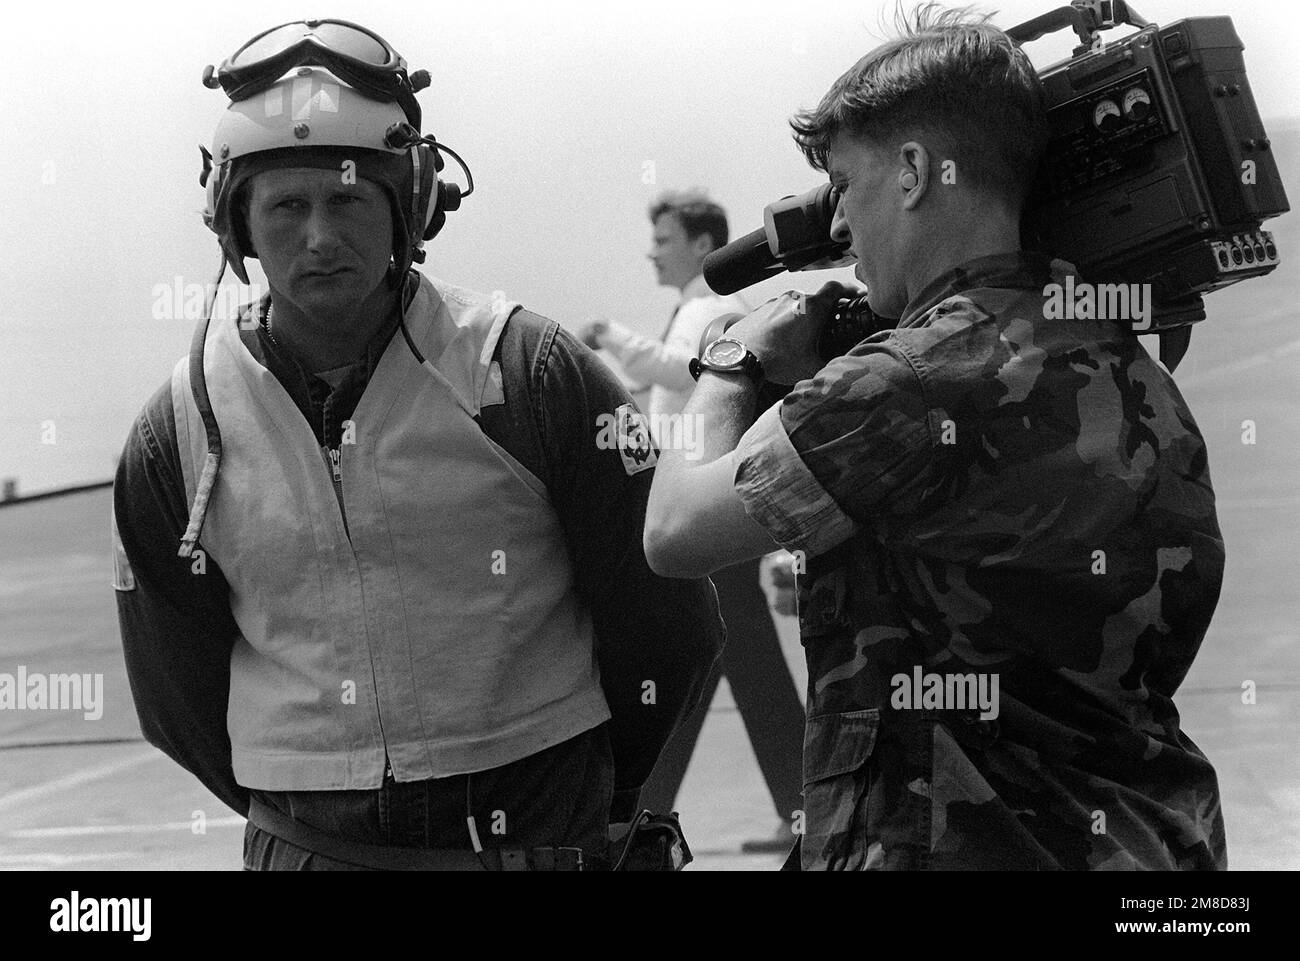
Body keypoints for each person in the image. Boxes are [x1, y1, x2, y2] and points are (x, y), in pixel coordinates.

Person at [111, 19, 723, 871]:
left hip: (537, 842)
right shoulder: (180, 430)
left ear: (411, 205)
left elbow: (668, 630)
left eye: (351, 199)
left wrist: (586, 807)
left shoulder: (528, 376)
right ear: (236, 224)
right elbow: (177, 700)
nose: (320, 237)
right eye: (286, 205)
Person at [642, 6, 1227, 870]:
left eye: (845, 183)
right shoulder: (1128, 359)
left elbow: (675, 530)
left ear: (914, 171)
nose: (837, 226)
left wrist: (732, 359)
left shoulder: (904, 380)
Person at [581, 191, 805, 847]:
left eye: (664, 237)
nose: (652, 249)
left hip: (704, 512)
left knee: (685, 660)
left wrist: (610, 338)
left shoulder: (714, 312)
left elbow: (687, 370)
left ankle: (640, 812)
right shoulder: (697, 308)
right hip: (707, 512)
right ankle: (789, 808)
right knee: (720, 659)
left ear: (702, 245)